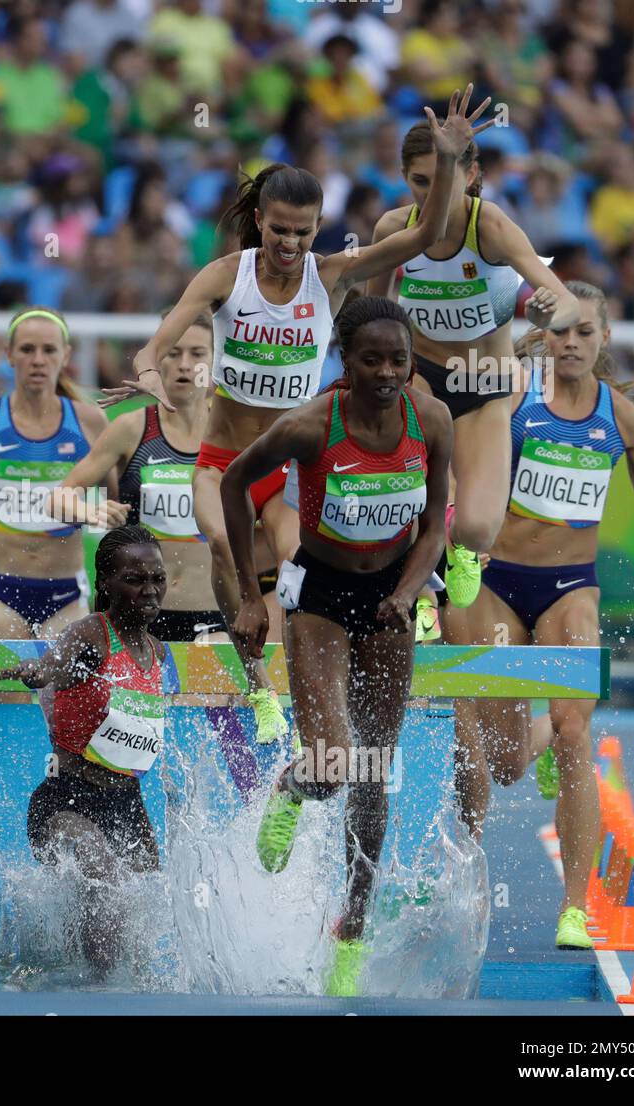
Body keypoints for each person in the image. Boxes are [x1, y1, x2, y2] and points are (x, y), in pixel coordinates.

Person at [105, 88, 489, 743]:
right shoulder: (228, 275)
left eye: (302, 232)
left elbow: (423, 234)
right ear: (259, 219)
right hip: (224, 460)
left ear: (317, 230)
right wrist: (147, 366)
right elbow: (164, 332)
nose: (289, 242)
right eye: (279, 229)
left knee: (306, 566)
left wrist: (448, 163)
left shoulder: (330, 274)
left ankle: (370, 648)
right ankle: (259, 687)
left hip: (289, 467)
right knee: (225, 546)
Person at [220, 297, 453, 997]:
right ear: (343, 363)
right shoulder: (310, 425)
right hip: (317, 595)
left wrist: (409, 593)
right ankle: (293, 788)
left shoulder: (432, 420)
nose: (387, 373)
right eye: (371, 360)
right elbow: (234, 483)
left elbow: (437, 527)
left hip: (391, 596)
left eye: (399, 361)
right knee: (331, 765)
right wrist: (250, 594)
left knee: (375, 770)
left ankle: (350, 927)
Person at [458, 282, 634, 951]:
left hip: (570, 588)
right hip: (499, 583)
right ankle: (545, 732)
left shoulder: (625, 418)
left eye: (586, 332)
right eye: (562, 332)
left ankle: (575, 909)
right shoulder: (514, 400)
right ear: (544, 338)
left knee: (576, 729)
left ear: (605, 338)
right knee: (503, 765)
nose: (574, 343)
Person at [367, 117, 581, 611]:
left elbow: (567, 303)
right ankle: (418, 581)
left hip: (486, 384)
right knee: (416, 499)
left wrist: (549, 312)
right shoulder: (393, 229)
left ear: (469, 174)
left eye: (444, 176)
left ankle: (459, 549)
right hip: (420, 376)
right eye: (421, 180)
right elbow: (369, 315)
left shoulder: (492, 227)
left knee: (478, 526)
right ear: (404, 178)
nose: (433, 190)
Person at [0, 524, 168, 980]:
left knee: (140, 904)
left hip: (127, 805)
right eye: (135, 579)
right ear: (106, 583)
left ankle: (92, 976)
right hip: (66, 799)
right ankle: (94, 995)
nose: (149, 591)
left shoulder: (158, 652)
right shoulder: (90, 635)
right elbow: (56, 663)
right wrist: (38, 670)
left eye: (157, 579)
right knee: (99, 869)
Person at [54, 311, 221, 641]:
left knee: (200, 696)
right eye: (173, 352)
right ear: (158, 359)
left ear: (215, 361)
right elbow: (58, 498)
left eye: (197, 354)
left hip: (212, 614)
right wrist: (90, 512)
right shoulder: (133, 428)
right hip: (136, 617)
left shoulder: (230, 432)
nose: (185, 364)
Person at [0, 307, 111, 640]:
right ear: (9, 354)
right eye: (27, 350)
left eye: (49, 350)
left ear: (66, 355)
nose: (38, 360)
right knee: (10, 692)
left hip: (66, 593)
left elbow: (118, 506)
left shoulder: (90, 422)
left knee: (60, 695)